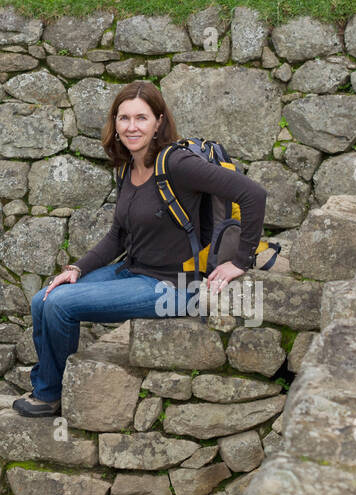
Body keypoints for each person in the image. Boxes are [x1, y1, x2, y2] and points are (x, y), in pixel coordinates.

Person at [13, 80, 268, 418]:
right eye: (124, 118)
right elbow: (117, 237)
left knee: (60, 304)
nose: (131, 127)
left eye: (141, 118)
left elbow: (253, 194)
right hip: (133, 270)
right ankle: (50, 387)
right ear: (114, 124)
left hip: (174, 286)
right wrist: (76, 269)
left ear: (159, 122)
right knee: (42, 298)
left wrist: (242, 260)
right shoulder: (129, 166)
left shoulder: (176, 164)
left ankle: (48, 395)